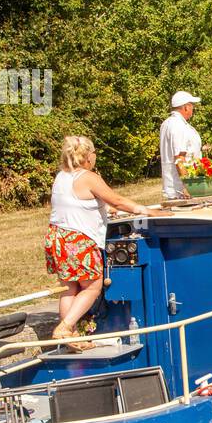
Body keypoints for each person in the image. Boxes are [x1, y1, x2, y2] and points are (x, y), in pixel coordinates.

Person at [45, 135, 169, 350]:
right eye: (93, 153)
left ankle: (72, 337)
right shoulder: (89, 177)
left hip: (57, 238)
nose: (94, 157)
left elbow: (79, 204)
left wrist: (105, 209)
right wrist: (148, 211)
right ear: (87, 157)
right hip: (78, 240)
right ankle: (65, 327)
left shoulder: (61, 177)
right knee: (93, 285)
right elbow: (117, 200)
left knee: (70, 287)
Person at [160, 90, 203, 200]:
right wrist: (188, 186)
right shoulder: (178, 125)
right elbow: (179, 158)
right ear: (186, 107)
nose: (193, 108)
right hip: (182, 191)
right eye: (192, 105)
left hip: (174, 187)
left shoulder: (167, 123)